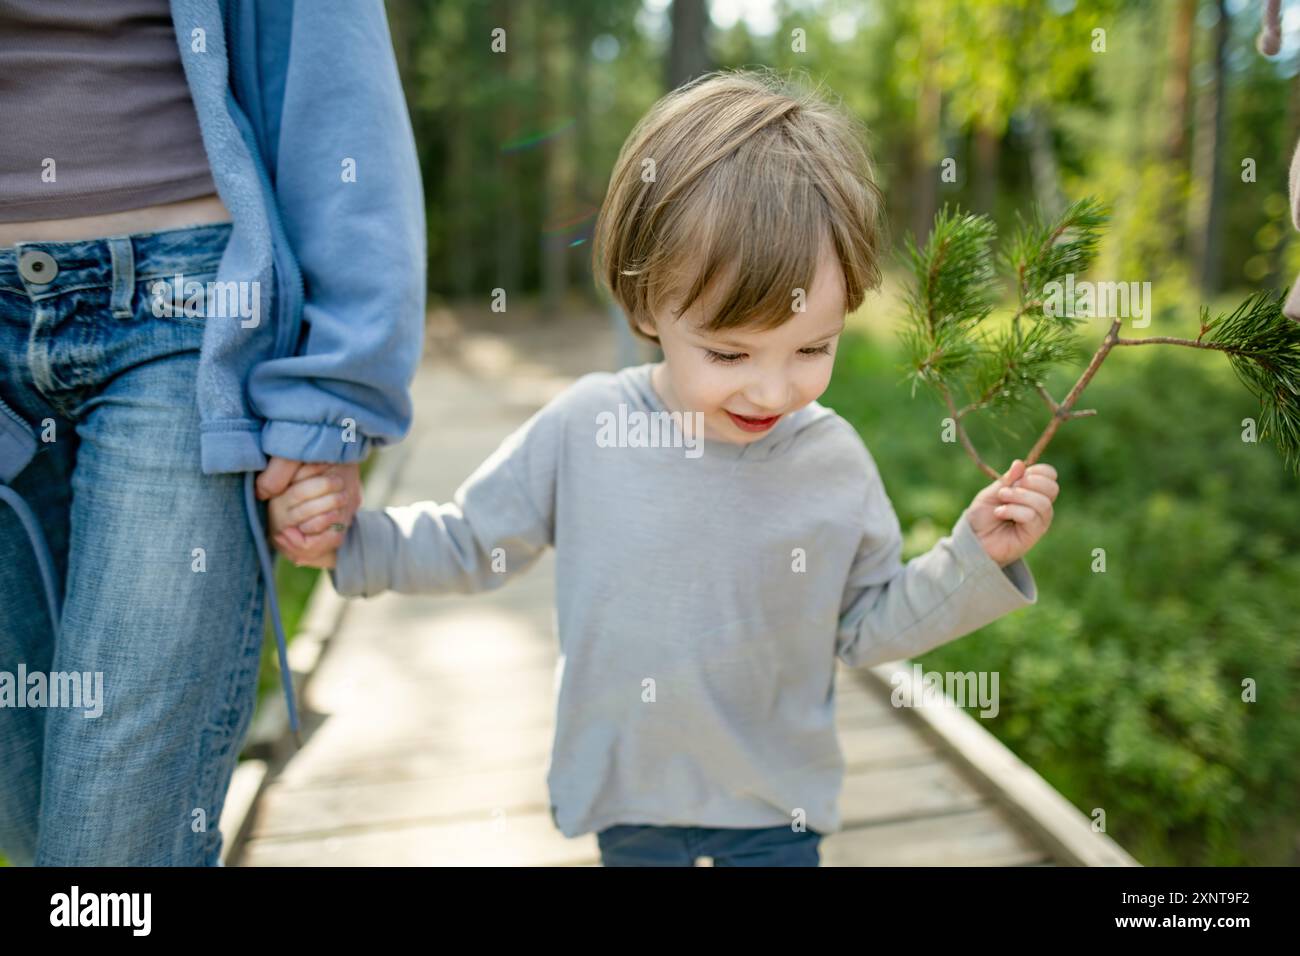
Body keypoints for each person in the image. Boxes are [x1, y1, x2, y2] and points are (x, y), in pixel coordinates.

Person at [271, 69, 1057, 867]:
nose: (773, 388)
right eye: (728, 352)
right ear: (647, 309)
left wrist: (973, 559)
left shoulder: (833, 463)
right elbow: (475, 540)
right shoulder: (586, 430)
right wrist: (351, 544)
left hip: (774, 806)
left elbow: (867, 624)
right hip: (633, 796)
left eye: (813, 349)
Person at [0, 0, 424, 866]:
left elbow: (333, 67)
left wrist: (333, 391)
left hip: (189, 322)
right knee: (30, 823)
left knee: (112, 852)